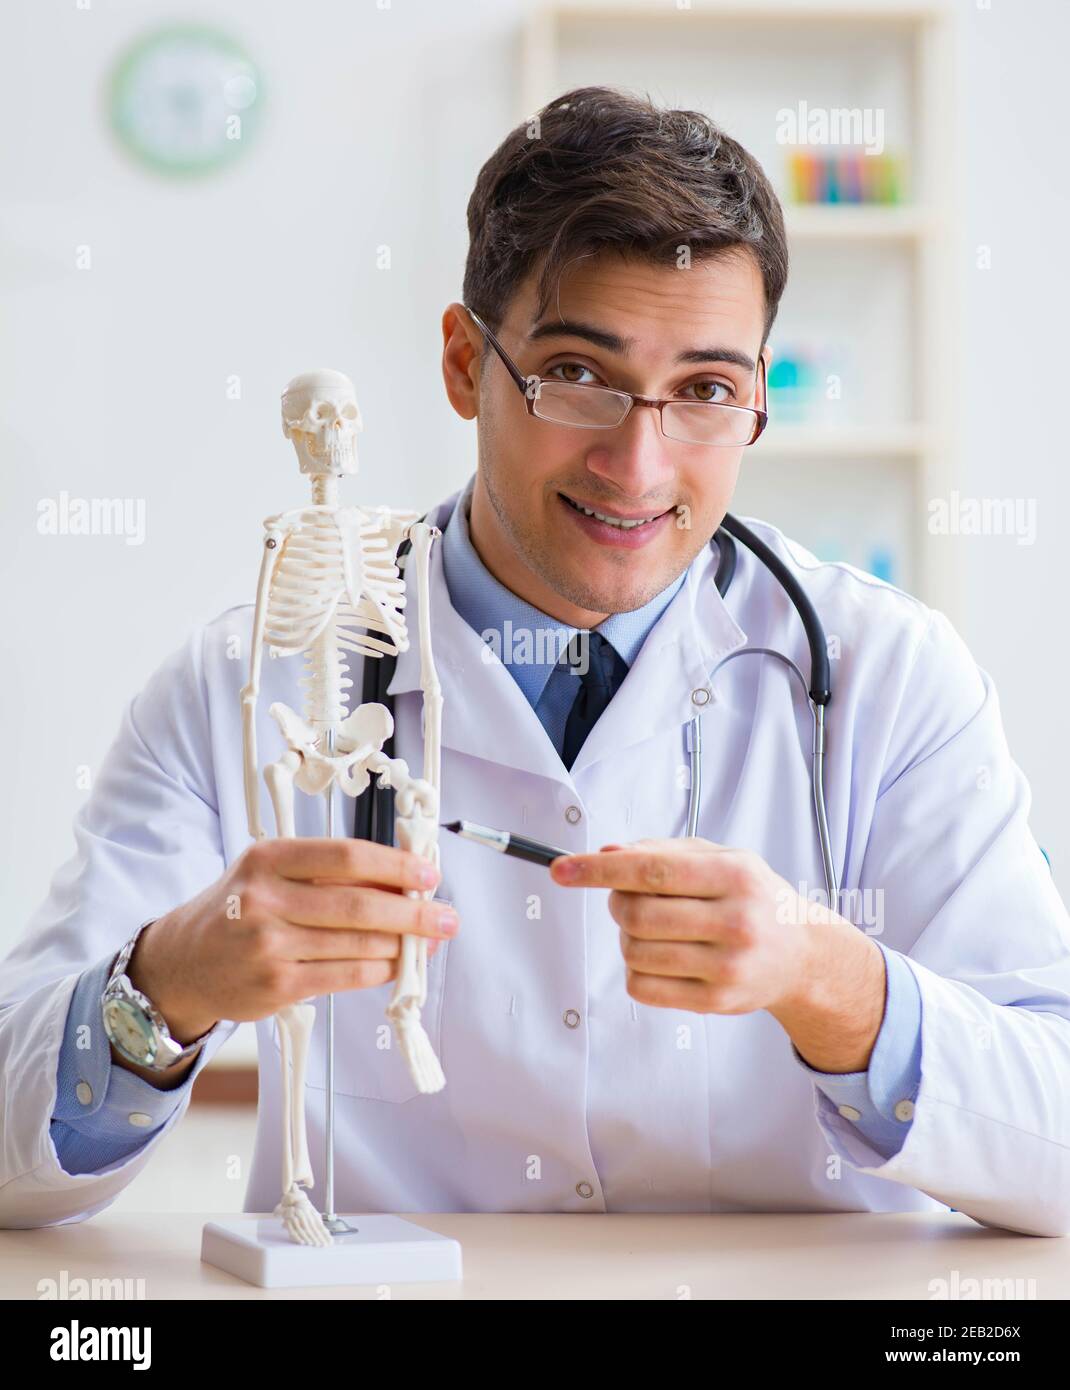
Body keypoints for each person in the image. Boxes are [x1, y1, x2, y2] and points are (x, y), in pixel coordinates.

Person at [2, 86, 1068, 1237]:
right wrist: (165, 985)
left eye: (705, 391)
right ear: (466, 362)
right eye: (576, 373)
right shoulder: (246, 680)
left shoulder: (887, 676)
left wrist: (831, 982)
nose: (636, 462)